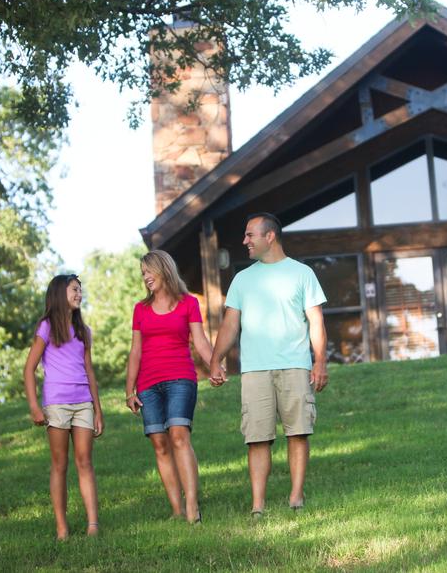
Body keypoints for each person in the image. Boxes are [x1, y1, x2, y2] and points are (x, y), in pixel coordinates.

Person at [209, 212, 328, 517]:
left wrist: (319, 362)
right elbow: (230, 324)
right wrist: (216, 359)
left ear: (269, 236)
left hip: (295, 365)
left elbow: (315, 321)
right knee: (257, 437)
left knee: (298, 432)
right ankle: (258, 505)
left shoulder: (302, 274)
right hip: (254, 370)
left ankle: (296, 497)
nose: (245, 241)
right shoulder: (242, 279)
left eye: (250, 235)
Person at [126, 250, 214, 524]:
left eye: (148, 271)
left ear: (163, 269)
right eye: (142, 274)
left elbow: (199, 341)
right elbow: (135, 351)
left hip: (180, 378)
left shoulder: (188, 303)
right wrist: (130, 389)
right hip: (148, 384)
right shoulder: (140, 309)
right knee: (160, 445)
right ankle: (176, 510)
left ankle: (192, 507)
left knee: (179, 436)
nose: (145, 278)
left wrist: (215, 365)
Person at [23, 274, 103, 540]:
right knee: (59, 464)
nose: (79, 294)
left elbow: (89, 371)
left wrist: (98, 410)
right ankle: (62, 528)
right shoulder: (46, 327)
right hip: (56, 403)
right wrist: (35, 406)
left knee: (85, 462)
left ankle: (93, 525)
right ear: (60, 294)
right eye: (74, 290)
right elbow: (29, 369)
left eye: (80, 290)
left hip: (83, 404)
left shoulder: (84, 331)